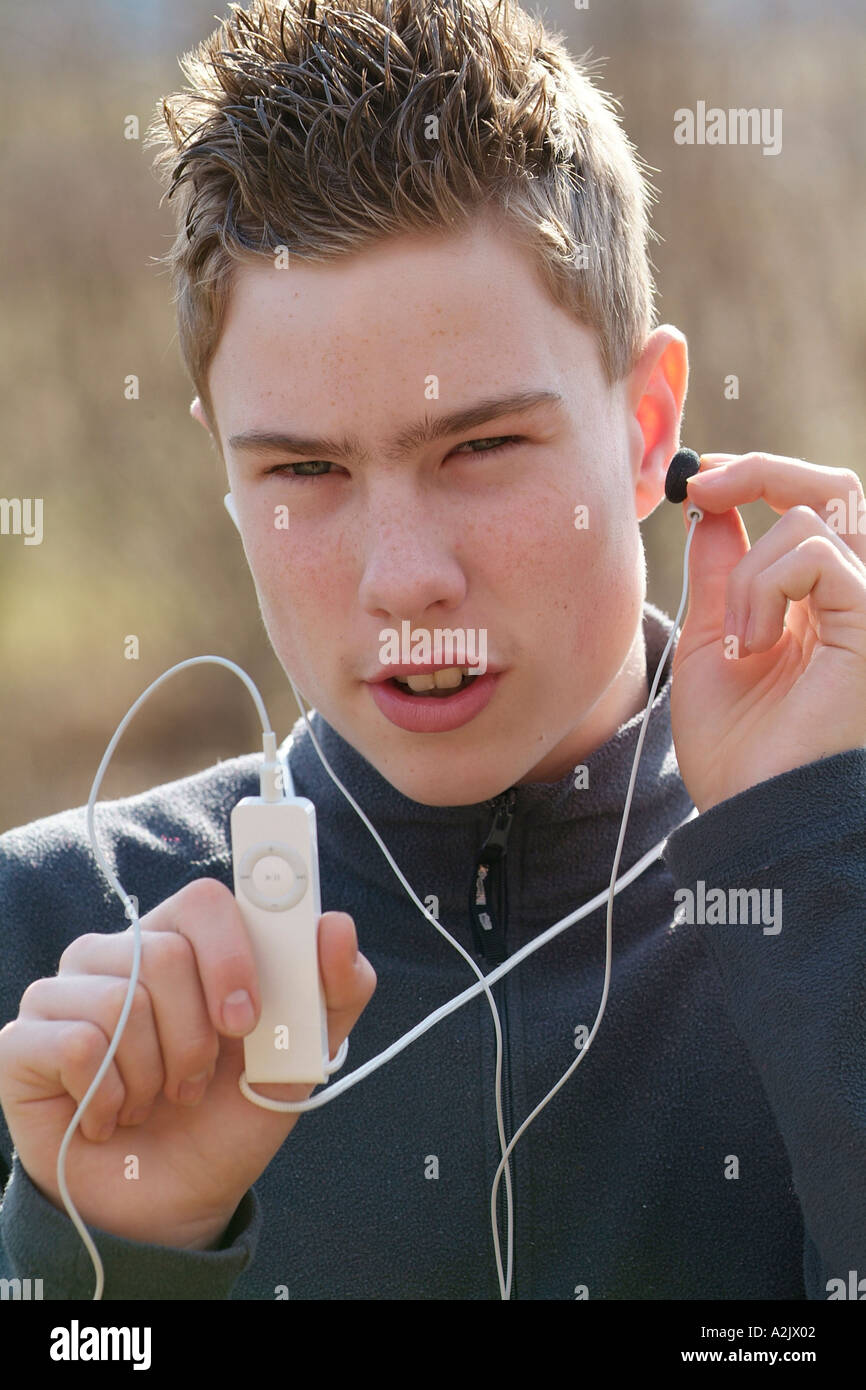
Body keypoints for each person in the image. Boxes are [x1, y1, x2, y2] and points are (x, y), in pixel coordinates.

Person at [1, 0, 864, 1301]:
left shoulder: (832, 879)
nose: (405, 576)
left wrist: (818, 859)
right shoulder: (50, 950)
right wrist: (107, 1265)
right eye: (303, 467)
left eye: (478, 448)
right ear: (224, 470)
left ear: (645, 428)